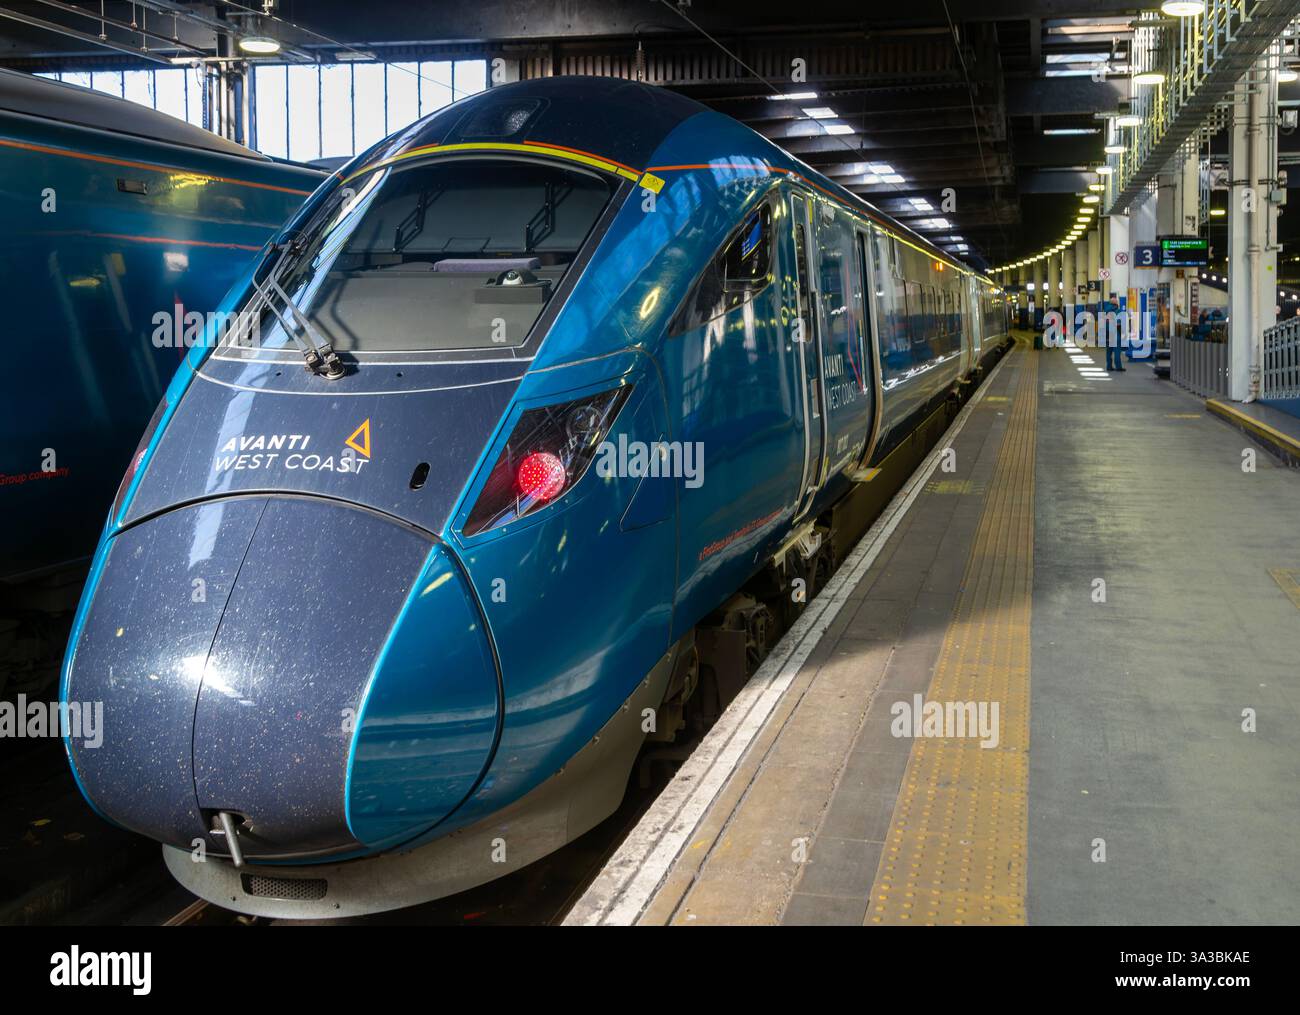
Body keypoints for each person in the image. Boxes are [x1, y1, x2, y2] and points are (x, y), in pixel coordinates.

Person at [1102, 293, 1125, 371]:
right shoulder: (1118, 311)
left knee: (1108, 351)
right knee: (1117, 351)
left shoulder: (1105, 310)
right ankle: (1118, 367)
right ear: (1116, 304)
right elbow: (1119, 324)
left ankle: (1109, 366)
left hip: (1107, 334)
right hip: (1115, 333)